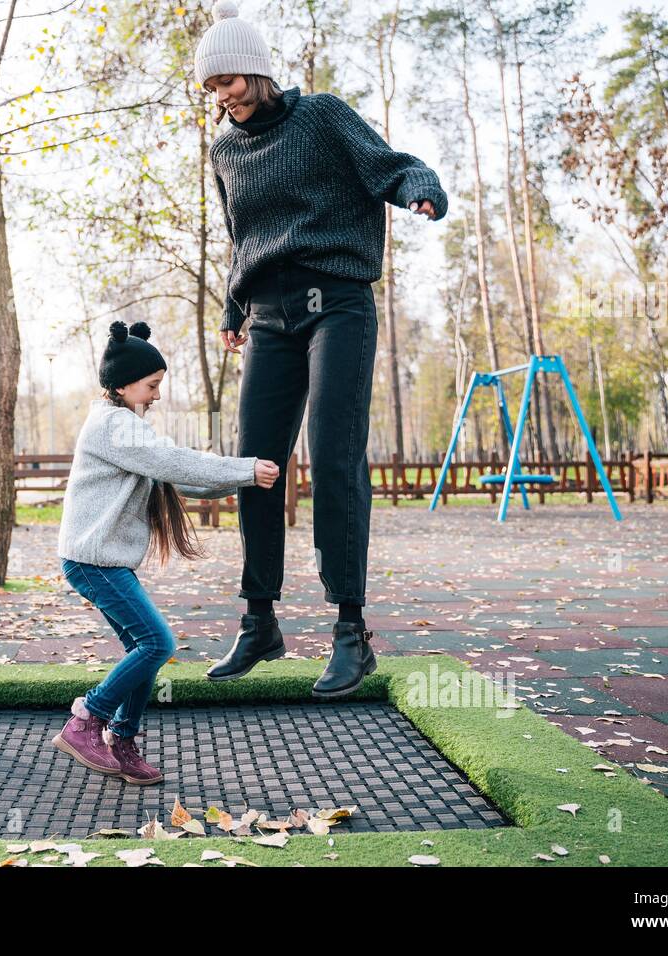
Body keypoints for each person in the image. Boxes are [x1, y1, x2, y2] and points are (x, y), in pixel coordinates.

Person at [194, 1, 448, 697]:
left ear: (259, 71)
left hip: (337, 303)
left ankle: (350, 631)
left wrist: (420, 193)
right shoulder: (224, 151)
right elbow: (241, 236)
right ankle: (259, 621)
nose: (224, 98)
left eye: (231, 82)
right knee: (256, 468)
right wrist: (233, 306)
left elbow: (391, 166)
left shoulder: (322, 116)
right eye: (213, 89)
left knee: (335, 458)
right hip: (269, 318)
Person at [54, 319, 280, 784]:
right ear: (124, 382)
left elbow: (181, 476)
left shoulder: (127, 424)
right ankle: (86, 720)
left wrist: (242, 481)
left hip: (105, 560)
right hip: (92, 560)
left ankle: (122, 737)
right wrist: (243, 469)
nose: (157, 395)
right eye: (152, 385)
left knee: (143, 647)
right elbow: (175, 461)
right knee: (158, 644)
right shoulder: (112, 425)